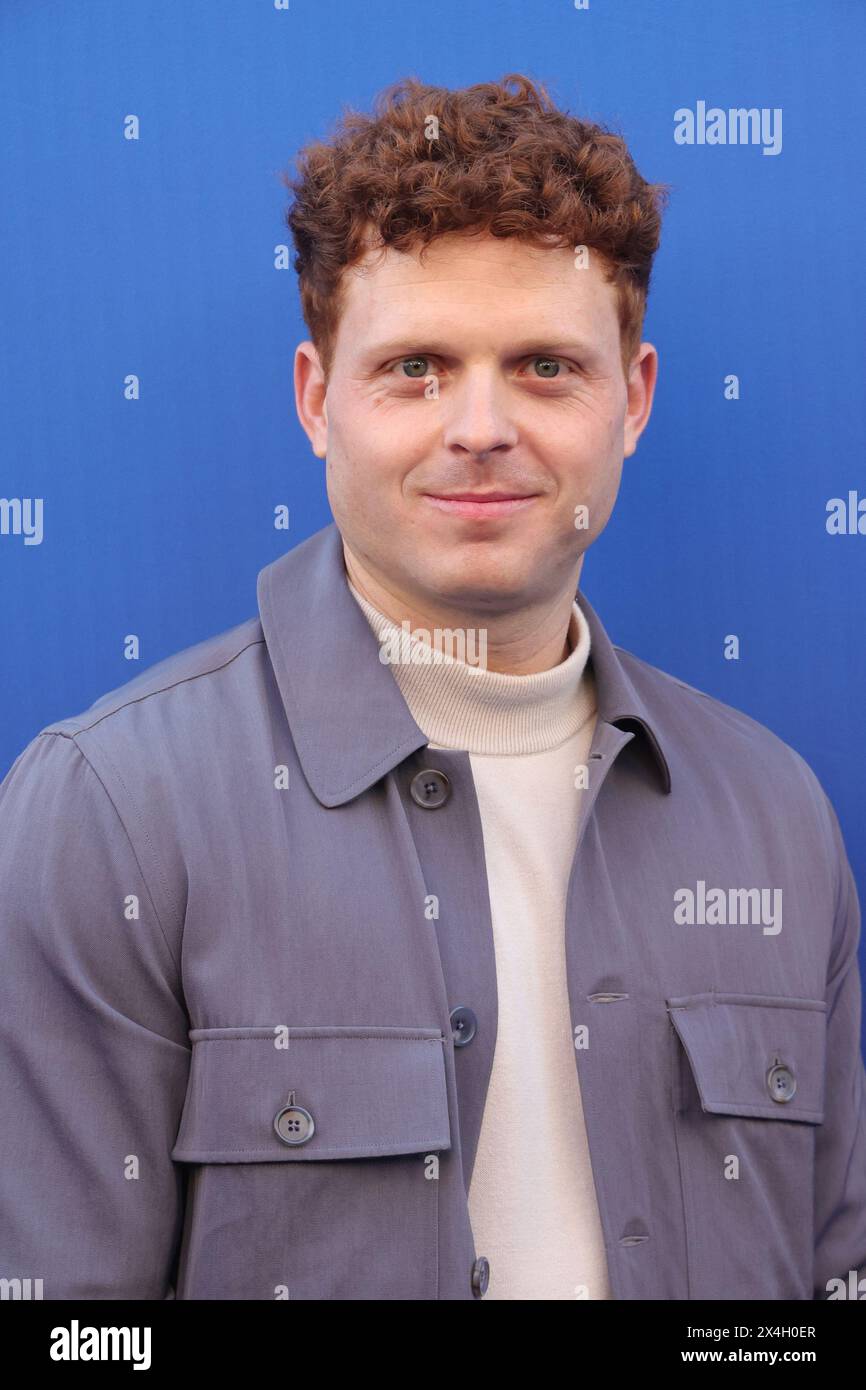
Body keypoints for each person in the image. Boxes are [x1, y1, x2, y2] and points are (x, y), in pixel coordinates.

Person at [1, 73, 864, 1301]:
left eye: (544, 367)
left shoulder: (773, 815)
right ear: (315, 400)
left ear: (634, 399)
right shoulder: (109, 814)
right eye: (414, 366)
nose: (478, 425)